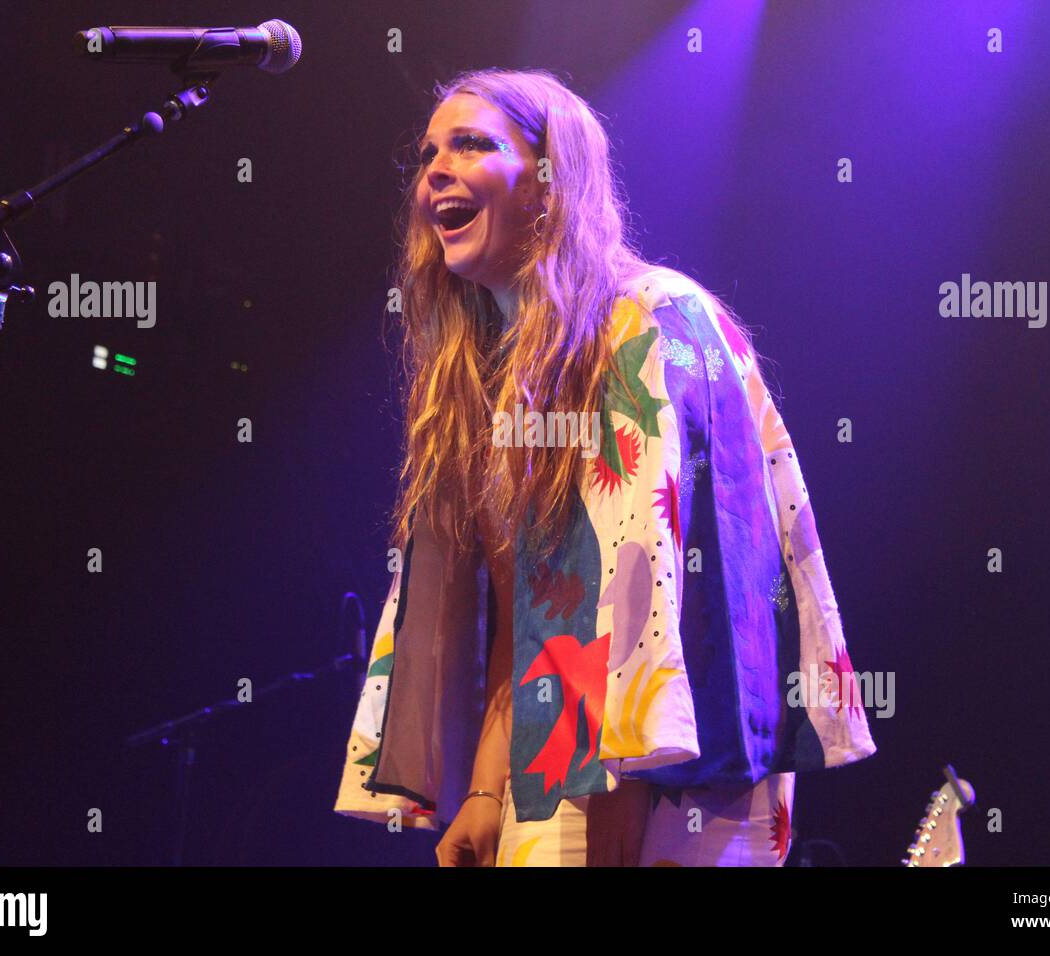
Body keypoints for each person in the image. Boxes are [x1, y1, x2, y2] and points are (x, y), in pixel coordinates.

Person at [332, 68, 876, 866]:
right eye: (428, 154)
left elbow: (644, 603)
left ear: (551, 185)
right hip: (560, 756)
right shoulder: (485, 373)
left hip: (677, 781)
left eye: (473, 144)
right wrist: (486, 795)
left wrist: (609, 831)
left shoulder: (648, 320)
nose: (435, 171)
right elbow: (534, 613)